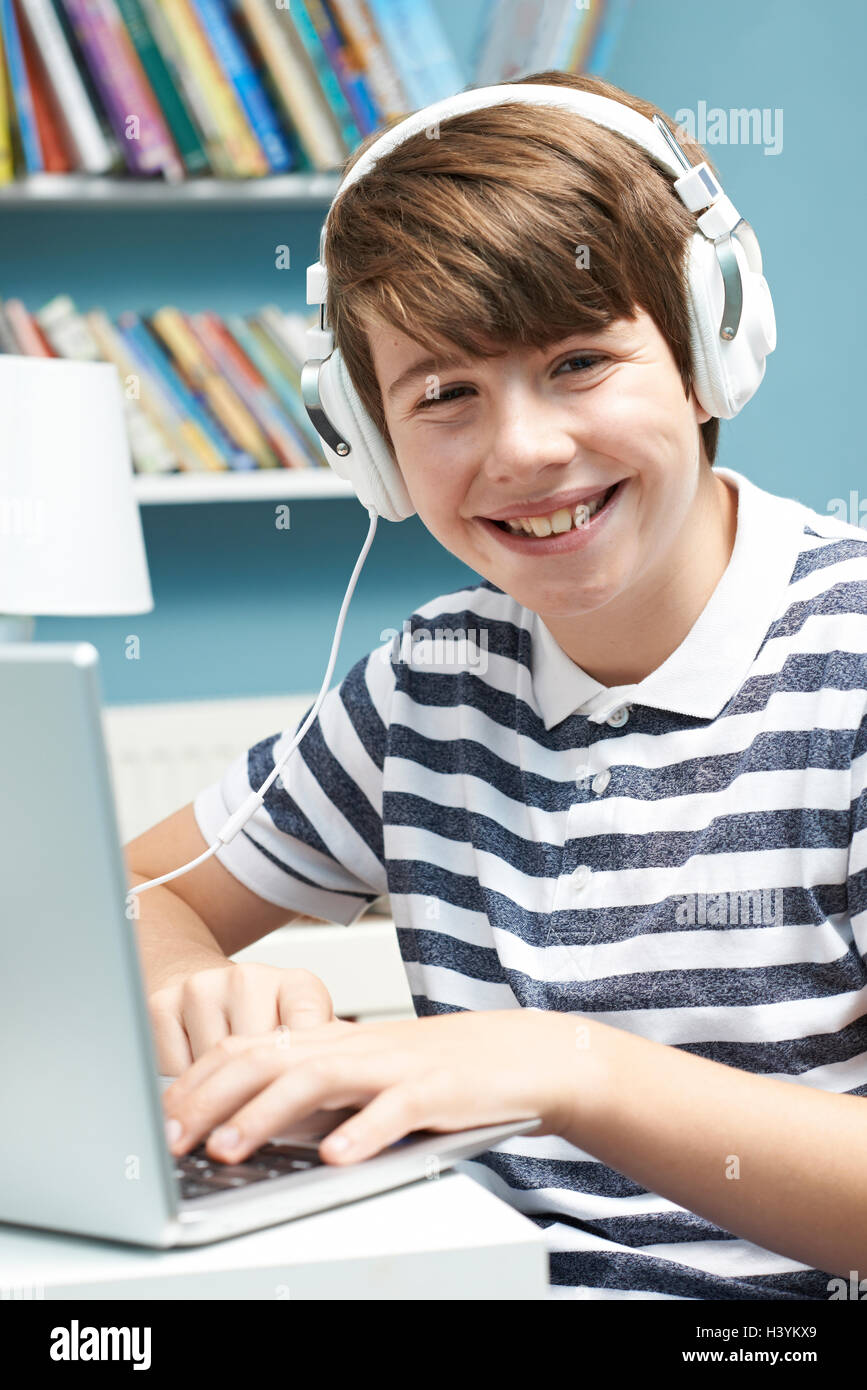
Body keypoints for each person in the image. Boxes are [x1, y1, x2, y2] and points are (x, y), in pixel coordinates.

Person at [125, 70, 867, 1298]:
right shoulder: (430, 683)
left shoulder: (844, 668)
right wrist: (194, 991)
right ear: (368, 446)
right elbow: (138, 898)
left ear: (708, 348)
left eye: (580, 361)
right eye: (445, 394)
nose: (523, 448)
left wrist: (567, 1068)